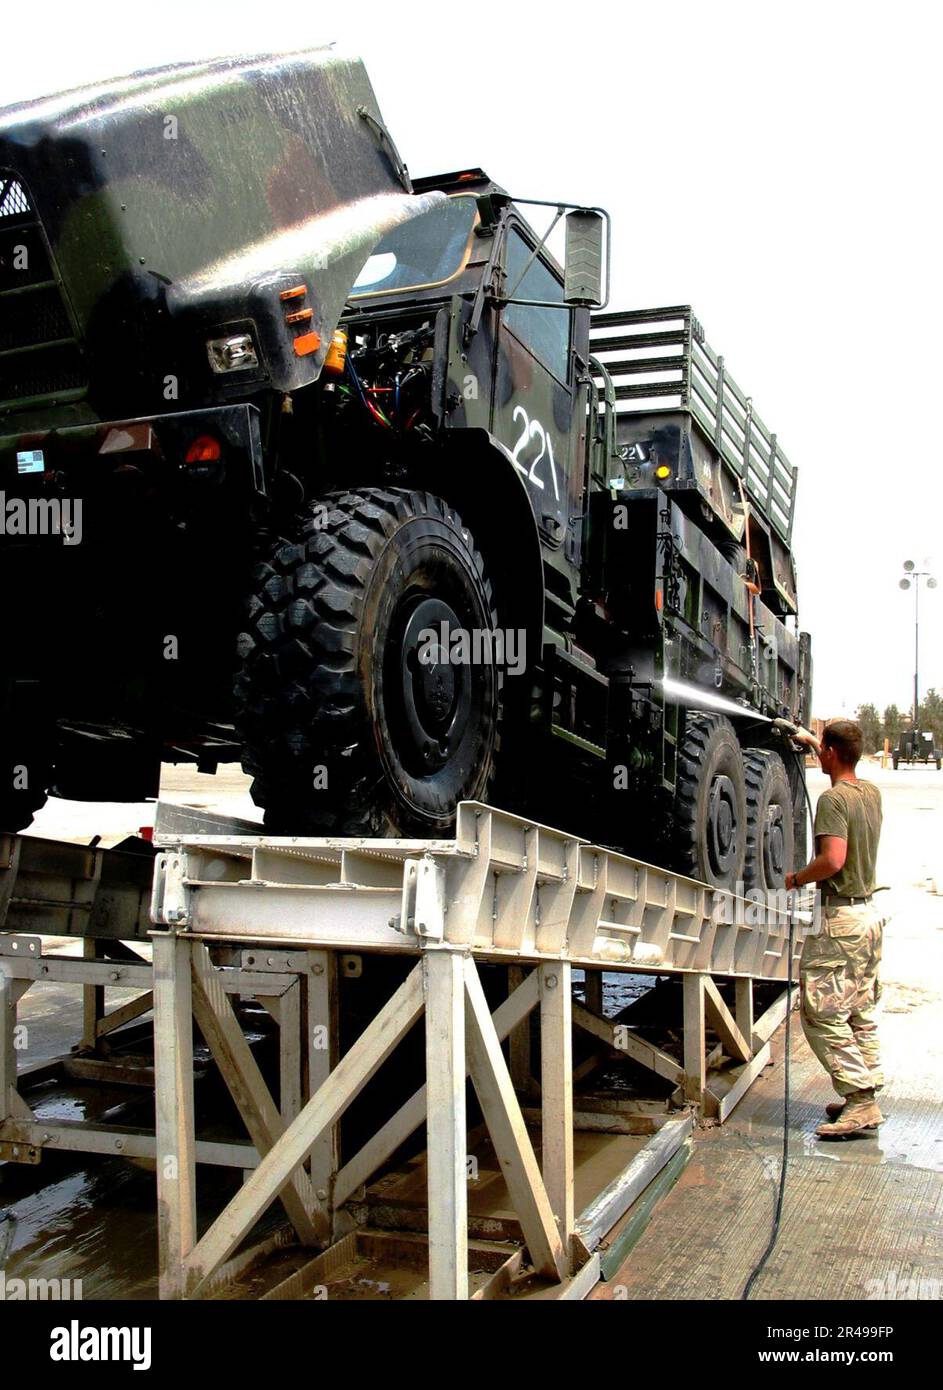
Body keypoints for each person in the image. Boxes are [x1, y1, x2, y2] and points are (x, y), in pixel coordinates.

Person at [784, 719, 884, 1138]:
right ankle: (866, 1091)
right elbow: (837, 759)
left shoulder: (832, 800)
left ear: (832, 753)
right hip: (868, 918)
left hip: (840, 921)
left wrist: (797, 878)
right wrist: (811, 742)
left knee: (821, 1012)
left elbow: (833, 860)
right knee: (858, 1010)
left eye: (821, 748)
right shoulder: (870, 794)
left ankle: (859, 1100)